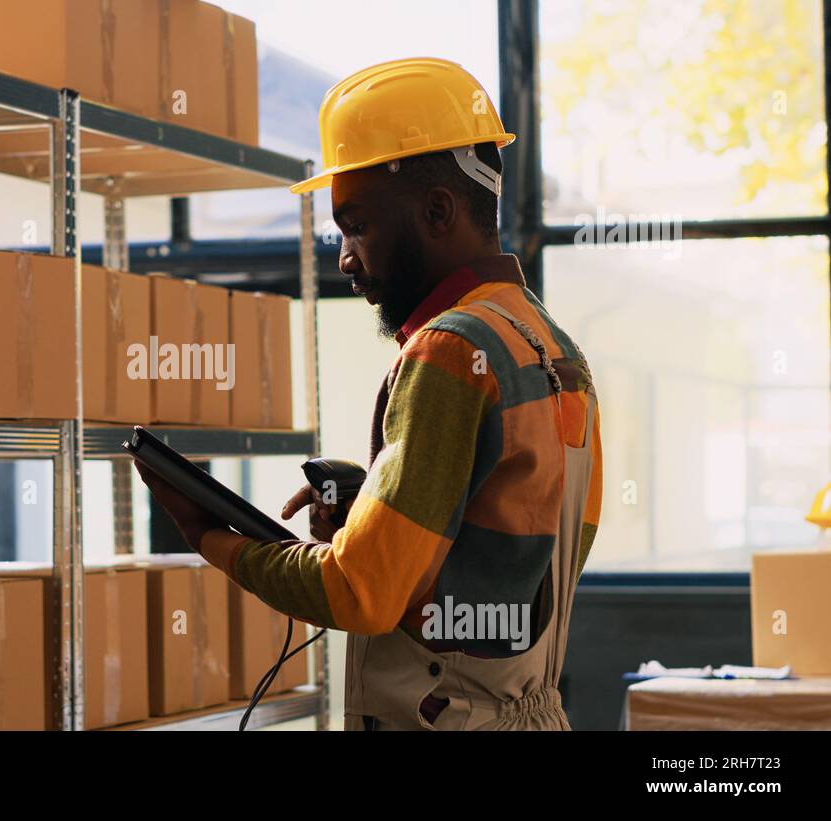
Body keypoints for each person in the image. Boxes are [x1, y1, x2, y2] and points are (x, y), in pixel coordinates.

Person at [134, 57, 602, 730]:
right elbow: (524, 561)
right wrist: (385, 510)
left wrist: (210, 535)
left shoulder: (448, 351)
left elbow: (361, 594)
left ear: (437, 211)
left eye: (356, 226)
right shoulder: (552, 347)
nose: (346, 258)